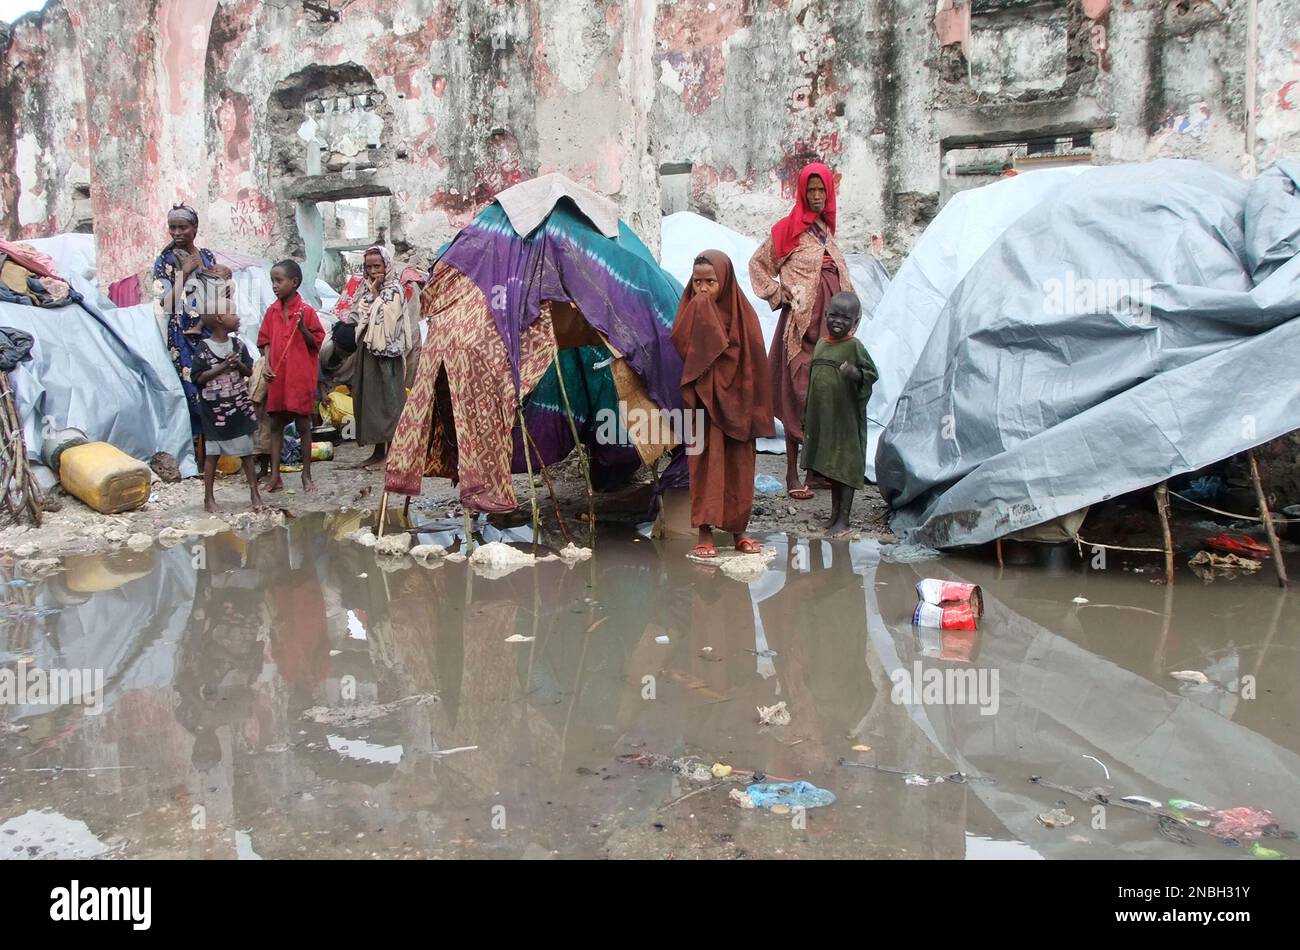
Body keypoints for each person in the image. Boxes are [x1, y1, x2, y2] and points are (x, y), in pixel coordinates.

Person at [748, 162, 854, 499]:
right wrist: (781, 295)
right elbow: (758, 266)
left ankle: (815, 471)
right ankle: (792, 475)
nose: (818, 196)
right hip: (801, 329)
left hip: (831, 331)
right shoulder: (787, 230)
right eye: (812, 191)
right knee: (799, 394)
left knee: (826, 393)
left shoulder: (827, 232)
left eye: (823, 190)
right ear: (803, 194)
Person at [670, 250, 775, 558]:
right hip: (704, 406)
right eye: (697, 282)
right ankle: (704, 532)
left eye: (711, 282)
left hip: (739, 406)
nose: (703, 289)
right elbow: (682, 343)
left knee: (738, 467)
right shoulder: (691, 309)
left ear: (725, 281)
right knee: (704, 466)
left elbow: (755, 362)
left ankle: (739, 532)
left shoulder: (745, 317)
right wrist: (701, 314)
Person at [801, 292, 877, 538]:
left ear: (855, 323)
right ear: (825, 315)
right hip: (824, 419)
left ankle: (844, 520)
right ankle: (834, 516)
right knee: (832, 468)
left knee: (844, 468)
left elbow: (871, 375)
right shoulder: (821, 345)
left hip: (845, 420)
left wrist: (855, 373)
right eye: (834, 315)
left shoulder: (854, 347)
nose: (838, 321)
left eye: (845, 318)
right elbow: (814, 380)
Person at [191, 274, 262, 512]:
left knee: (246, 453)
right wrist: (222, 367)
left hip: (238, 409)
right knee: (212, 454)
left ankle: (255, 494)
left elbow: (249, 371)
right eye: (233, 313)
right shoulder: (203, 349)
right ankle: (208, 498)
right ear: (221, 319)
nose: (238, 317)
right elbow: (197, 378)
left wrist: (237, 365)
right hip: (215, 412)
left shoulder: (238, 345)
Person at [153, 202, 218, 446]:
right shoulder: (165, 261)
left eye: (183, 227)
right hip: (181, 334)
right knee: (191, 388)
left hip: (210, 328)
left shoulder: (207, 256)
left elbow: (217, 289)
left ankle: (218, 446)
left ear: (195, 228)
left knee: (215, 384)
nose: (177, 233)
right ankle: (198, 449)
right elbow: (166, 304)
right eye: (173, 228)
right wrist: (183, 274)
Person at [257, 260, 324, 494]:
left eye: (279, 280)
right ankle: (275, 476)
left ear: (294, 282)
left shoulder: (306, 311)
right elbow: (264, 341)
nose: (275, 285)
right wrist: (266, 362)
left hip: (299, 377)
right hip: (277, 377)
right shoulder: (272, 312)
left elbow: (317, 341)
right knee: (276, 424)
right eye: (272, 281)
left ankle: (306, 476)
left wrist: (304, 329)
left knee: (304, 426)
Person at [345, 246, 412, 469]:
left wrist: (376, 297)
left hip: (387, 354)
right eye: (369, 267)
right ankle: (377, 451)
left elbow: (389, 321)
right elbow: (357, 315)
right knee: (370, 401)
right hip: (367, 352)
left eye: (377, 266)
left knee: (389, 402)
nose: (373, 271)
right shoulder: (365, 289)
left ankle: (392, 453)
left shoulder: (394, 290)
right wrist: (371, 295)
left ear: (386, 266)